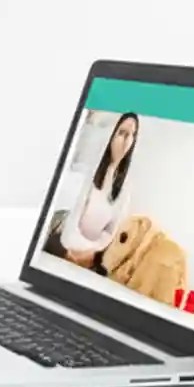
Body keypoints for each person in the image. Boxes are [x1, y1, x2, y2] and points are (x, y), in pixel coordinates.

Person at [55, 112, 139, 269]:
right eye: (122, 133)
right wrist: (82, 249)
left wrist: (90, 251)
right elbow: (70, 229)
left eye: (132, 135)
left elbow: (110, 233)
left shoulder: (125, 186)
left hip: (89, 258)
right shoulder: (90, 170)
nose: (127, 140)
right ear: (111, 135)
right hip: (65, 248)